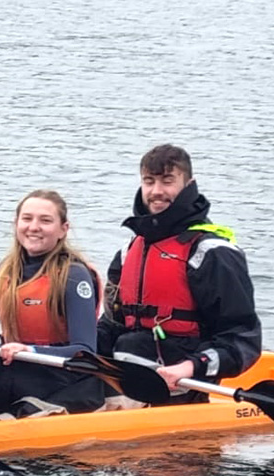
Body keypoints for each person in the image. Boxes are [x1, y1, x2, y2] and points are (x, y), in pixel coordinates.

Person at [98, 145, 261, 405]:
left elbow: (242, 340)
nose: (156, 192)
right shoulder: (128, 252)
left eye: (167, 181)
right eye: (149, 182)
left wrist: (190, 367)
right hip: (132, 371)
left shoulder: (212, 253)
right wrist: (74, 350)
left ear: (188, 185)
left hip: (184, 382)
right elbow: (111, 325)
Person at [0, 189, 104, 420]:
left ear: (63, 230)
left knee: (4, 371)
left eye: (46, 220)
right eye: (27, 219)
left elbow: (84, 350)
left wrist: (29, 350)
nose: (34, 227)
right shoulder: (7, 270)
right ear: (17, 223)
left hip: (55, 373)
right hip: (13, 364)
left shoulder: (73, 275)